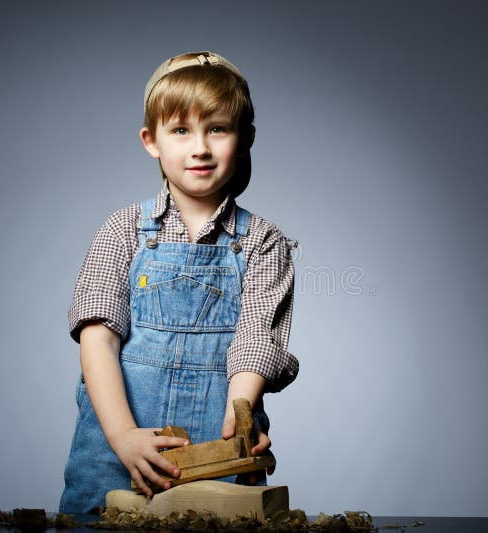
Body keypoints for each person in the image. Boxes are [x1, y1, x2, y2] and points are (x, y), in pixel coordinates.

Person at [59, 51, 299, 514]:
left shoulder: (263, 242)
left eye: (218, 129)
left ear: (245, 139)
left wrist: (239, 423)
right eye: (181, 130)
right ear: (152, 141)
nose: (200, 147)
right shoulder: (122, 230)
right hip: (116, 451)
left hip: (217, 454)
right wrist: (124, 437)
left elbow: (255, 343)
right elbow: (98, 339)